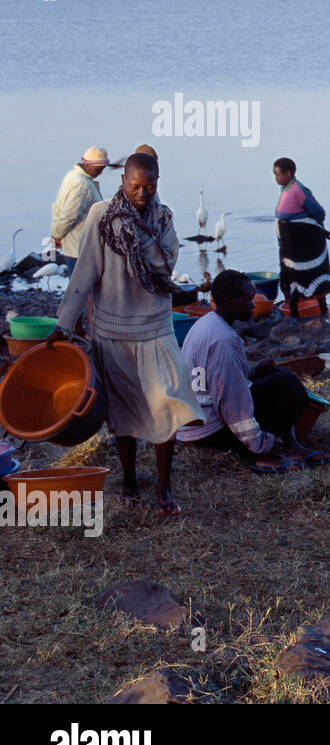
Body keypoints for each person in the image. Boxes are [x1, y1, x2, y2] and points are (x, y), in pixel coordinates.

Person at [49, 152, 202, 516]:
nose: (142, 193)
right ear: (123, 182)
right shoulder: (102, 216)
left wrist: (137, 229)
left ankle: (164, 487)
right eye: (135, 186)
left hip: (156, 329)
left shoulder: (163, 218)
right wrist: (63, 324)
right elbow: (84, 272)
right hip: (112, 331)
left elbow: (165, 265)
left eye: (150, 186)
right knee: (122, 413)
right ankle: (130, 481)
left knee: (168, 401)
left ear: (158, 183)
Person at [176, 270, 320, 471]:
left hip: (194, 421)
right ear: (229, 301)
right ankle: (259, 457)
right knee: (288, 386)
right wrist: (260, 444)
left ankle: (291, 445)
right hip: (208, 430)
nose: (253, 304)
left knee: (277, 375)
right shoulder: (223, 341)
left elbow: (216, 379)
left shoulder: (207, 324)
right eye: (248, 300)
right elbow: (232, 403)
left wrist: (253, 372)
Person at [273, 157, 330, 318]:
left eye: (278, 175)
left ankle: (321, 311)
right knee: (292, 279)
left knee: (310, 276)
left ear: (288, 173)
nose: (276, 178)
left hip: (303, 245)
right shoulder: (286, 189)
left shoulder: (299, 190)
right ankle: (294, 314)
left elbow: (319, 212)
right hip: (290, 247)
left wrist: (319, 230)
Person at [50, 146, 110, 273]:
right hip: (81, 247)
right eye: (98, 169)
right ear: (87, 165)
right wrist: (56, 236)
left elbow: (58, 207)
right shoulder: (83, 185)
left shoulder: (72, 175)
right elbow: (68, 215)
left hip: (75, 245)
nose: (101, 173)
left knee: (78, 285)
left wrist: (56, 234)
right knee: (83, 288)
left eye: (103, 169)